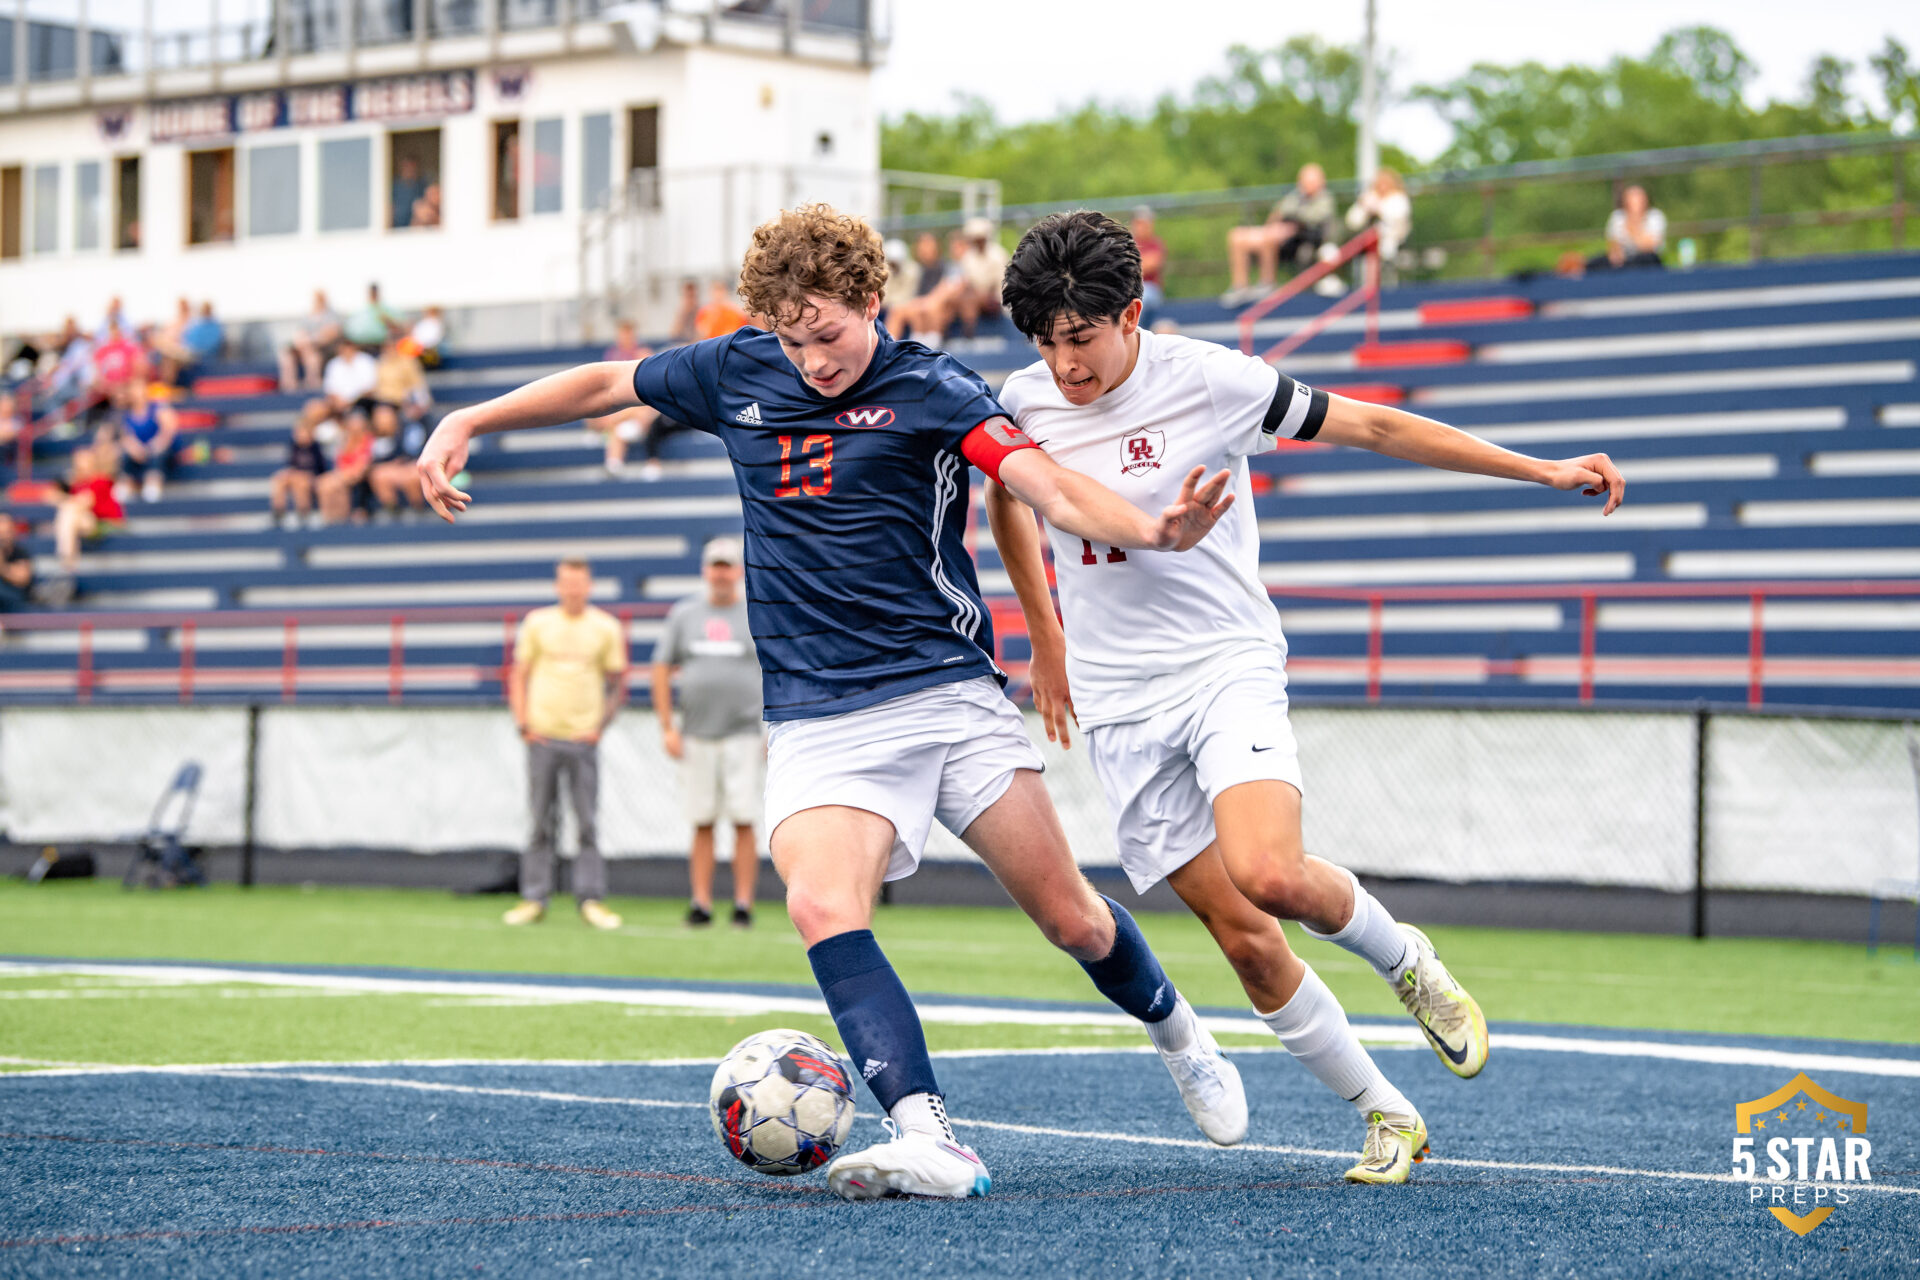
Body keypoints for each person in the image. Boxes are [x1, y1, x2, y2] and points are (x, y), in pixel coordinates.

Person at [417, 202, 1243, 1203]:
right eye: (791, 339)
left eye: (828, 335)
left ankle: (1177, 1028)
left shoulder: (934, 387)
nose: (811, 360)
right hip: (815, 711)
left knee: (1072, 918)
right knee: (818, 899)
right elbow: (605, 381)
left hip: (945, 694)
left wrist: (1156, 531)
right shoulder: (738, 367)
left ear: (871, 300)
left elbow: (1048, 488)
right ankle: (930, 1134)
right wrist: (469, 416)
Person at [991, 210, 1626, 1182]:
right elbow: (1007, 497)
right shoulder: (1025, 399)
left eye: (1080, 338)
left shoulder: (1213, 378)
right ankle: (1387, 1113)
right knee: (1245, 944)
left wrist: (1539, 467)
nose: (1065, 364)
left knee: (1272, 874)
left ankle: (1404, 956)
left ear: (1130, 313)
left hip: (1222, 662)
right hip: (1120, 700)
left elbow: (1373, 423)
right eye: (1047, 343)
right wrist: (1045, 635)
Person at [503, 558, 629, 931]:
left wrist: (598, 727)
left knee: (587, 822)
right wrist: (523, 724)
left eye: (579, 583)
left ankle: (590, 898)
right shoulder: (538, 623)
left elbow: (617, 682)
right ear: (558, 586)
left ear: (588, 586)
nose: (573, 590)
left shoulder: (605, 627)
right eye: (566, 583)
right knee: (540, 821)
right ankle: (534, 897)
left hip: (582, 739)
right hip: (542, 736)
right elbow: (519, 674)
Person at [653, 536, 764, 928]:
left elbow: (773, 672)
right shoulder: (685, 614)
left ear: (737, 570)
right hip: (698, 732)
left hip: (744, 732)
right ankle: (701, 901)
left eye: (726, 566)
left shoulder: (755, 613)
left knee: (744, 819)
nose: (720, 573)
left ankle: (743, 903)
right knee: (701, 820)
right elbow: (662, 668)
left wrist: (770, 728)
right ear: (706, 570)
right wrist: (668, 725)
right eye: (714, 566)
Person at [1225, 163, 1337, 302]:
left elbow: (1311, 221)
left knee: (1269, 236)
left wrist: (1289, 222)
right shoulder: (1295, 197)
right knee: (1237, 236)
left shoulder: (1324, 199)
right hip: (1280, 233)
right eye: (1304, 181)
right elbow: (1278, 212)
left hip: (1302, 240)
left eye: (1311, 181)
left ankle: (1267, 283)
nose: (1306, 185)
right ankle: (1240, 287)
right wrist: (1275, 224)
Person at [586, 320, 656, 477]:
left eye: (627, 334)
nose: (624, 338)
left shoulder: (642, 354)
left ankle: (613, 462)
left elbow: (647, 400)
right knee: (589, 407)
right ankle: (605, 432)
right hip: (621, 409)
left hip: (639, 413)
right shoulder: (613, 354)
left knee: (618, 429)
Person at [53, 443, 125, 573]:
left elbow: (84, 502)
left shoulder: (101, 480)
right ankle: (68, 558)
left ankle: (66, 559)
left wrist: (61, 500)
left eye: (84, 461)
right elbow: (49, 495)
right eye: (78, 462)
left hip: (105, 522)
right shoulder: (78, 483)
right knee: (69, 514)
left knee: (68, 512)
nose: (81, 465)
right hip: (84, 520)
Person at [271, 400, 332, 529]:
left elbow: (318, 468)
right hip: (297, 475)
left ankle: (303, 515)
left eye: (303, 432)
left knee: (300, 481)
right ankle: (278, 513)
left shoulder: (315, 447)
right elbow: (292, 465)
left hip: (313, 478)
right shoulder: (294, 446)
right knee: (280, 478)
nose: (300, 435)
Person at [117, 383, 181, 503]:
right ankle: (127, 484)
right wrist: (134, 449)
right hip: (140, 452)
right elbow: (126, 437)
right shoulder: (127, 414)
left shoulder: (158, 407)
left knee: (158, 454)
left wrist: (155, 444)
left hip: (160, 448)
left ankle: (153, 484)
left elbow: (168, 430)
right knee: (125, 455)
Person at [1345, 166, 1413, 266]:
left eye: (1385, 184)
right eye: (1379, 184)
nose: (1382, 187)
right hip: (1368, 240)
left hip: (1393, 239)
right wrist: (1363, 207)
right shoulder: (1371, 197)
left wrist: (1379, 209)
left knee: (1387, 248)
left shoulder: (1399, 199)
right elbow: (1352, 222)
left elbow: (1397, 221)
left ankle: (1387, 260)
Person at [314, 412, 373, 526]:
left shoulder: (368, 440)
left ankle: (342, 518)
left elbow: (364, 465)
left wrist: (347, 474)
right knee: (323, 483)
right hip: (344, 473)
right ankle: (328, 518)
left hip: (357, 475)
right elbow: (339, 463)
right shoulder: (345, 441)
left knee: (335, 484)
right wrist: (342, 474)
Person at [1591, 184, 1666, 271]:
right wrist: (1617, 253)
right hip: (1624, 259)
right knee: (1598, 262)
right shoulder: (1617, 217)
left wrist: (1633, 222)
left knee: (1645, 259)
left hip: (1646, 259)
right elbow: (1612, 243)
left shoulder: (1655, 216)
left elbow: (1650, 246)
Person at [281, 291, 342, 393]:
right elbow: (300, 332)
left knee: (311, 356)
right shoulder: (308, 315)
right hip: (305, 346)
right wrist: (302, 341)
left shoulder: (331, 315)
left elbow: (330, 334)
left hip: (321, 349)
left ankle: (312, 383)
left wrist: (311, 340)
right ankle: (289, 384)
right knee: (286, 355)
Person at [322, 341, 379, 422]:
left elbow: (370, 388)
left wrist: (350, 401)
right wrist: (339, 401)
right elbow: (330, 388)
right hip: (338, 404)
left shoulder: (366, 361)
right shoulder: (333, 363)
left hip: (362, 402)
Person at [1130, 207, 1167, 311]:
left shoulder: (1156, 244)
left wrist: (1131, 266)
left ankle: (1133, 326)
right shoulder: (1127, 243)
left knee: (1141, 298)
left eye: (1146, 223)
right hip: (1128, 287)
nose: (1142, 227)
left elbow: (1148, 267)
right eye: (1139, 223)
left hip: (1149, 288)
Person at [345, 283, 399, 349]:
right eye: (371, 293)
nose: (373, 295)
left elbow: (398, 326)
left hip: (379, 345)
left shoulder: (385, 309)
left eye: (374, 293)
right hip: (360, 345)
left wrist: (388, 320)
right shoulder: (361, 310)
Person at [0, 518, 36, 610]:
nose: (3, 537)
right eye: (1, 533)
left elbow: (23, 578)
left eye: (6, 532)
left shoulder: (20, 552)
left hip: (15, 597)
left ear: (13, 533)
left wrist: (3, 567)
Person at [391, 156, 426, 229]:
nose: (410, 170)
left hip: (415, 229)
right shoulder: (395, 187)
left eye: (413, 168)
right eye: (407, 167)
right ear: (402, 169)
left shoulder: (421, 186)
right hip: (396, 229)